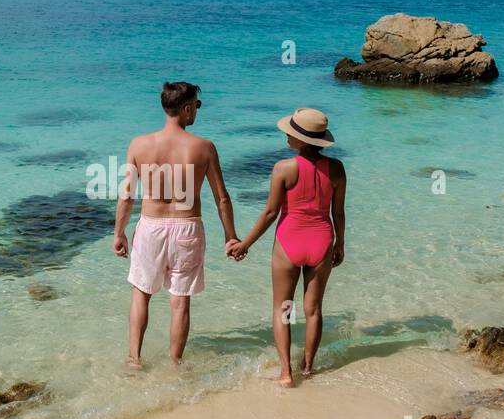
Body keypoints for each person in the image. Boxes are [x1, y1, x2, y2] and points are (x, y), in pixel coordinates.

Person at [114, 82, 239, 368]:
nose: (198, 110)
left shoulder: (139, 145)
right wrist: (230, 236)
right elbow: (222, 198)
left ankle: (134, 359)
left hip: (151, 226)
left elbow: (127, 195)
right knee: (180, 301)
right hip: (187, 228)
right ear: (185, 109)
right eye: (197, 105)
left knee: (141, 294)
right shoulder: (204, 147)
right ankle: (175, 365)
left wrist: (119, 233)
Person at [226, 108, 346, 387]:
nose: (286, 135)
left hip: (289, 242)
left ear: (303, 140)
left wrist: (245, 244)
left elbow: (270, 213)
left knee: (283, 309)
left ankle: (285, 373)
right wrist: (340, 243)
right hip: (321, 241)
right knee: (313, 310)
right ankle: (307, 368)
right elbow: (338, 213)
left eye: (291, 133)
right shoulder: (337, 169)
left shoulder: (283, 169)